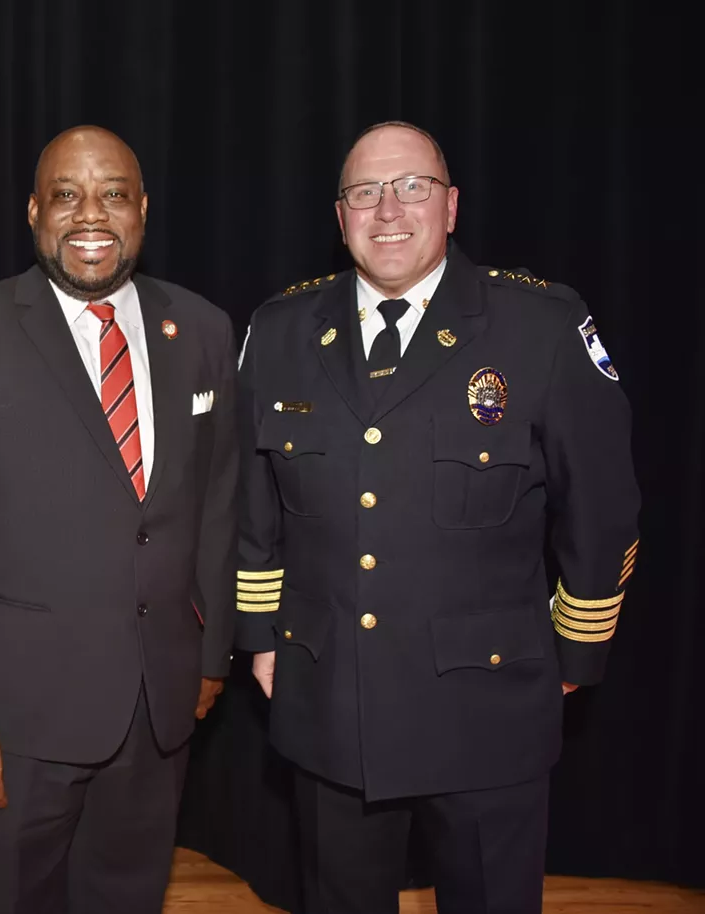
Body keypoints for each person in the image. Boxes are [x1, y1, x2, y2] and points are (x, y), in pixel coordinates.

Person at [234, 120, 641, 914]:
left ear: (451, 207)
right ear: (340, 215)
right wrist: (259, 636)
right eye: (365, 193)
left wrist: (574, 648)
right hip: (327, 696)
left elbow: (603, 507)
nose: (389, 210)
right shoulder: (281, 331)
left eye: (411, 187)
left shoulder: (541, 328)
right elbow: (253, 501)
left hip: (487, 704)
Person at [0, 125, 239, 913]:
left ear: (143, 210)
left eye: (114, 194)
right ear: (33, 211)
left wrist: (211, 651)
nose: (92, 213)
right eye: (67, 194)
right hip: (18, 721)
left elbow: (219, 504)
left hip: (160, 704)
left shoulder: (203, 331)